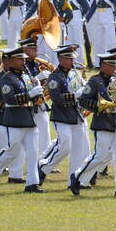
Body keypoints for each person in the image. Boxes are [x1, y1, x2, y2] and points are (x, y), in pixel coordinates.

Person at [69, 52, 116, 196]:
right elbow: (83, 101)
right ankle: (78, 176)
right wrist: (99, 106)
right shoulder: (95, 81)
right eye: (111, 66)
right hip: (102, 121)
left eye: (115, 66)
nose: (114, 69)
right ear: (103, 65)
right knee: (100, 155)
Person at [0, 48, 43, 193]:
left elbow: (31, 97)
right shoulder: (6, 78)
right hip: (14, 119)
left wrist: (37, 91)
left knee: (33, 153)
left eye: (24, 59)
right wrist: (29, 94)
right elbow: (10, 99)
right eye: (20, 59)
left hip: (29, 118)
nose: (24, 62)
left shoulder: (26, 76)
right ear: (12, 61)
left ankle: (32, 184)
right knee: (11, 151)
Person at [39, 45, 89, 183]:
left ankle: (74, 179)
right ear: (61, 59)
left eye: (73, 58)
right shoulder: (54, 77)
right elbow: (56, 98)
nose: (73, 61)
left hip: (76, 114)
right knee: (65, 146)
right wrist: (75, 96)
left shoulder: (74, 73)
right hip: (61, 115)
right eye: (69, 58)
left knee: (78, 149)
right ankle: (43, 167)